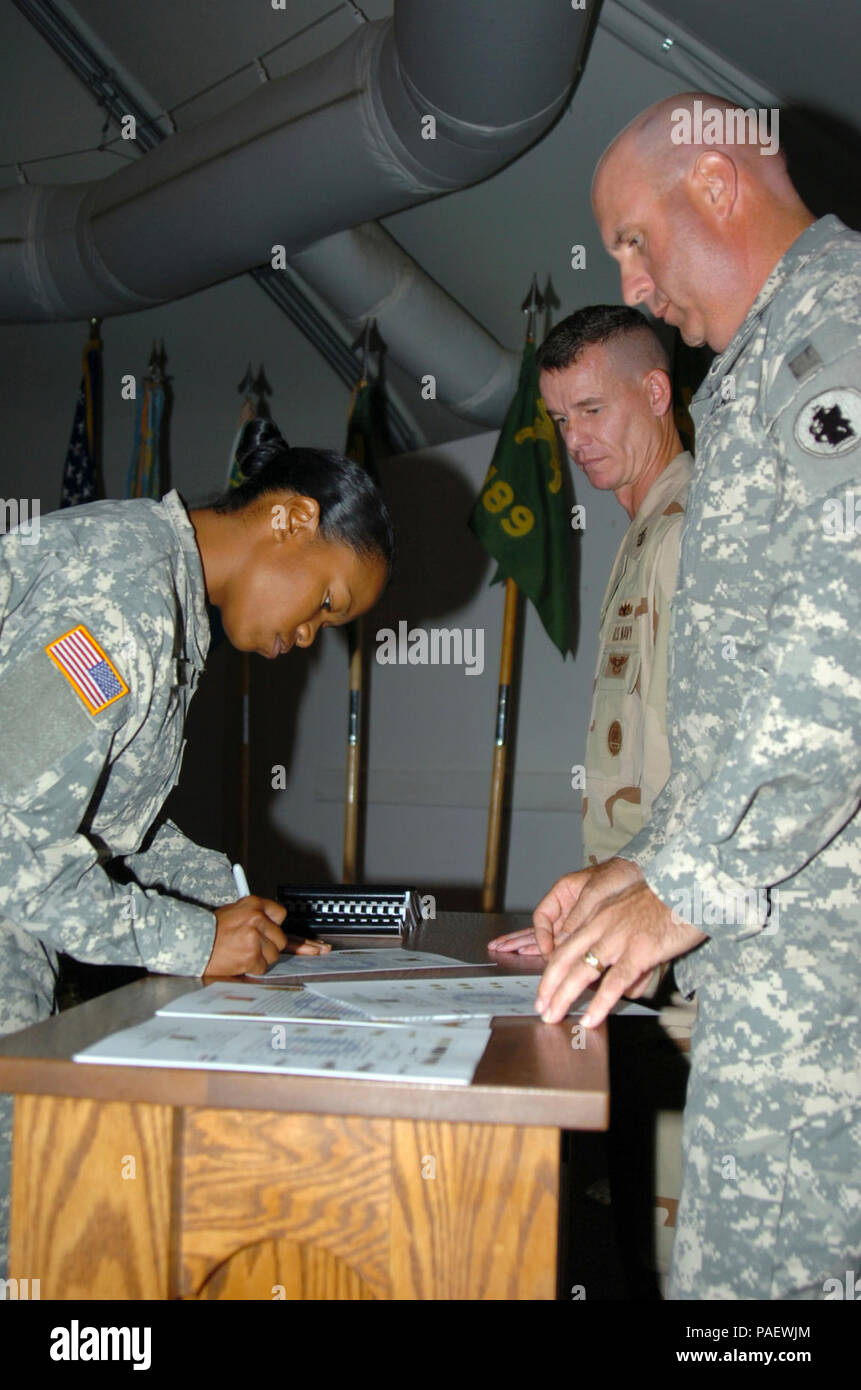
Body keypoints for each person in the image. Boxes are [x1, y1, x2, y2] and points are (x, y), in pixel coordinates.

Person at [534, 92, 861, 1300]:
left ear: (719, 185)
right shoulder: (761, 368)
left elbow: (845, 646)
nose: (632, 281)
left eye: (634, 238)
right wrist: (643, 865)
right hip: (780, 967)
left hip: (824, 983)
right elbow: (734, 715)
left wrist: (683, 882)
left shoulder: (839, 326)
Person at [0, 419, 395, 1276]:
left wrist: (235, 907)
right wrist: (196, 939)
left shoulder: (164, 592)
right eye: (327, 602)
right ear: (290, 518)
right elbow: (9, 843)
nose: (311, 635)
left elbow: (111, 829)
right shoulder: (122, 599)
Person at [489, 305, 694, 1288]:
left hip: (687, 944)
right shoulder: (644, 531)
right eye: (560, 419)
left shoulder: (693, 535)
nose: (573, 440)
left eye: (592, 409)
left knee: (685, 1241)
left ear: (655, 392)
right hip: (640, 931)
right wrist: (595, 901)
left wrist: (627, 901)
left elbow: (716, 770)